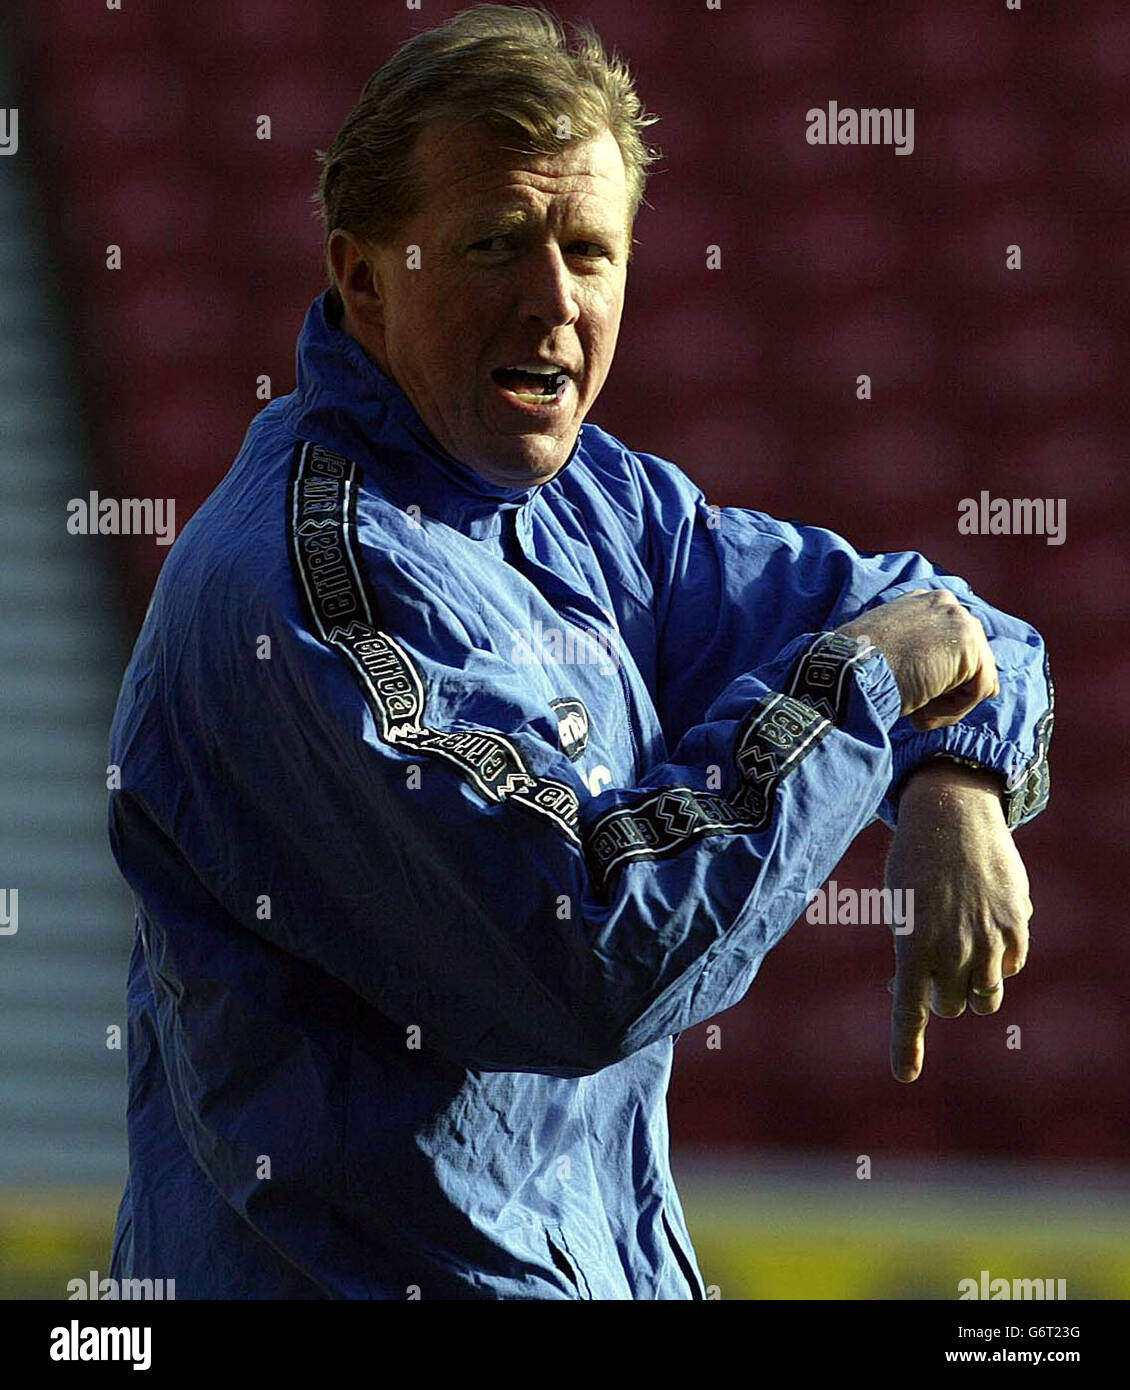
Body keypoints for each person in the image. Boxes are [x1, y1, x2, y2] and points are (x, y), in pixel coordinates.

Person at [106, 5, 1052, 1299]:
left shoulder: (600, 508)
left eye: (589, 251)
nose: (554, 301)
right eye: (497, 244)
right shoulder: (311, 588)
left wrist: (953, 784)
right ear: (362, 275)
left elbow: (940, 615)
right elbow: (583, 947)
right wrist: (868, 683)